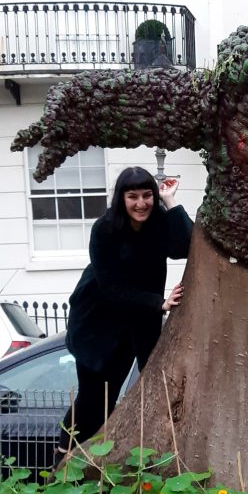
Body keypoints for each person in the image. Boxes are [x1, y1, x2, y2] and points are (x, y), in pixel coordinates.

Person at [57, 166, 193, 460]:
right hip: (98, 322)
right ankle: (63, 461)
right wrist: (158, 303)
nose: (141, 203)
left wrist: (170, 202)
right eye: (133, 196)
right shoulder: (105, 229)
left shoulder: (157, 223)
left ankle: (130, 460)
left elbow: (185, 247)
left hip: (139, 319)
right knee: (95, 399)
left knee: (151, 388)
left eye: (147, 195)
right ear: (122, 198)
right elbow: (111, 289)